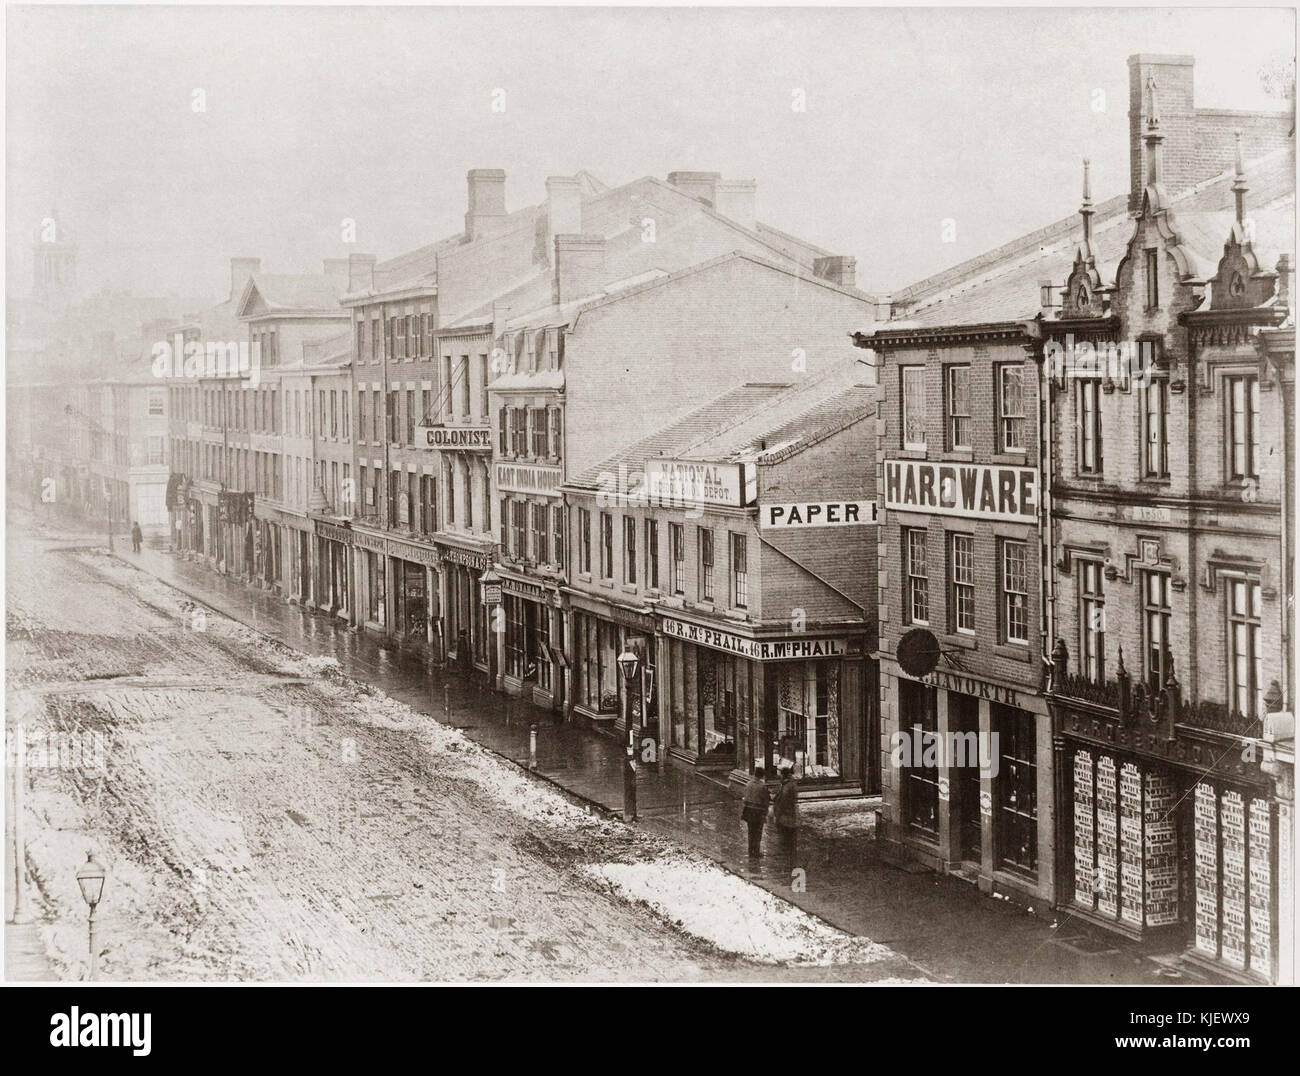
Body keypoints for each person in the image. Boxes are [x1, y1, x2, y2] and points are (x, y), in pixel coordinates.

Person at [741, 765, 771, 858]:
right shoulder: (762, 786)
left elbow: (744, 798)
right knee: (758, 833)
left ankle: (751, 851)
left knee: (751, 832)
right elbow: (766, 800)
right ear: (761, 775)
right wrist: (765, 812)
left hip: (749, 811)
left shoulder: (748, 784)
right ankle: (756, 852)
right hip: (758, 812)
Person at [773, 765, 799, 862]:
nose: (779, 776)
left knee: (786, 837)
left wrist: (777, 814)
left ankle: (787, 858)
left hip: (786, 816)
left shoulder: (787, 786)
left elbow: (784, 801)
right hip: (788, 815)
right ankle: (788, 856)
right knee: (788, 837)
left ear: (784, 775)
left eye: (781, 774)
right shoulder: (787, 784)